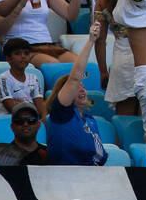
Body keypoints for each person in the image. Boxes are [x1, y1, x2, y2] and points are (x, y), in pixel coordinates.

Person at [44, 24, 108, 166]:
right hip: (66, 177)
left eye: (83, 87)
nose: (82, 90)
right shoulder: (61, 114)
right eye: (77, 87)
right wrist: (91, 41)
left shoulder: (91, 120)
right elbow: (74, 77)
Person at [0, 37, 46, 117]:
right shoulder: (3, 78)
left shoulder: (33, 78)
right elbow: (11, 107)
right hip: (8, 120)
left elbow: (40, 105)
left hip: (30, 120)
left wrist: (44, 120)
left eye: (26, 53)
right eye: (18, 53)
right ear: (8, 59)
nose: (23, 56)